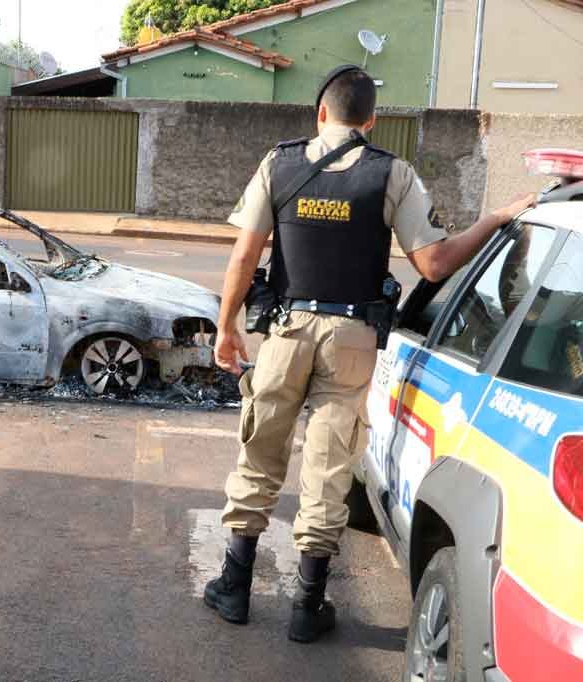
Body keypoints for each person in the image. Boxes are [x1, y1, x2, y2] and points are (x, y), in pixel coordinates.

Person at [204, 64, 535, 643]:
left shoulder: (278, 162)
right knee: (330, 467)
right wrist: (495, 218)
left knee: (260, 450)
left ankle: (234, 587)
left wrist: (226, 326)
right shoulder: (392, 174)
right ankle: (307, 607)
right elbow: (432, 263)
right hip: (353, 338)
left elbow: (243, 256)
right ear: (372, 120)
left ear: (321, 112)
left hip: (284, 330)